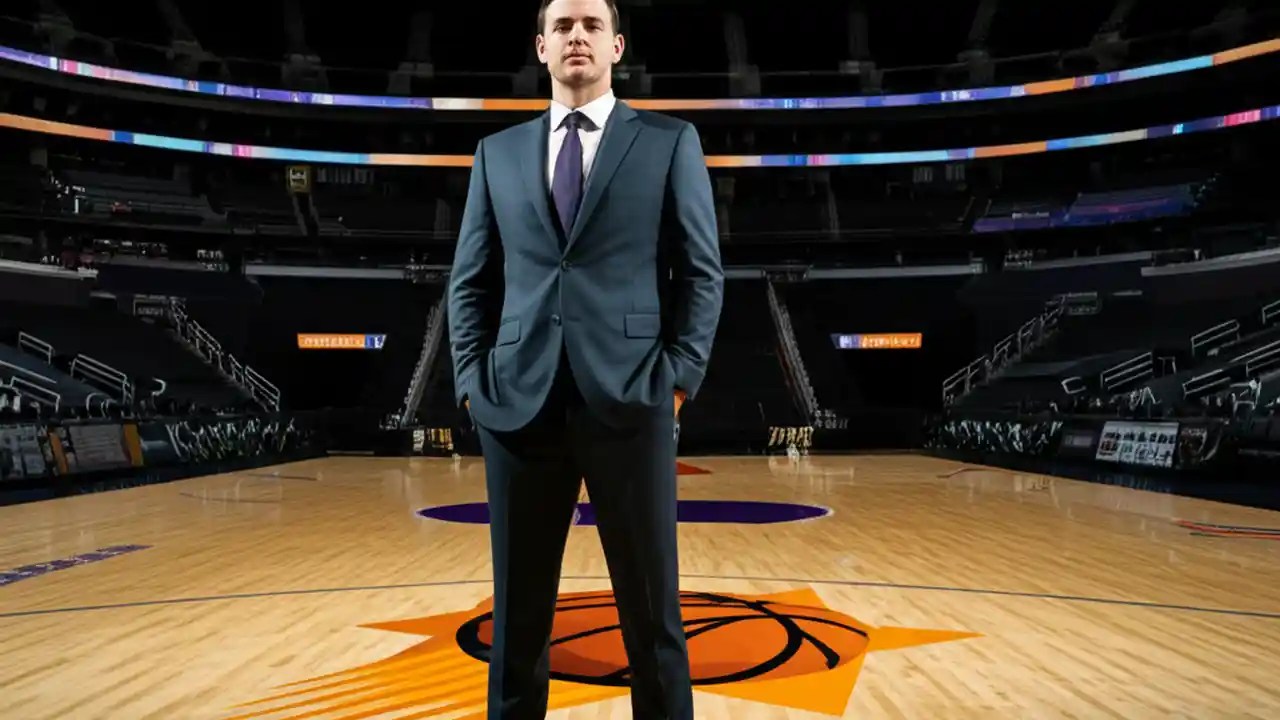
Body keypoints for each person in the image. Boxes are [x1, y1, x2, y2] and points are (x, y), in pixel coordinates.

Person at [445, 0, 724, 717]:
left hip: (632, 399)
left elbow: (701, 271)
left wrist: (679, 380)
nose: (577, 36)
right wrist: (474, 384)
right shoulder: (495, 153)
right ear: (540, 46)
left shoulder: (668, 142)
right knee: (517, 625)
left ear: (616, 45)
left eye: (591, 25)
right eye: (563, 27)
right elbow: (470, 281)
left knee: (653, 621)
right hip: (517, 405)